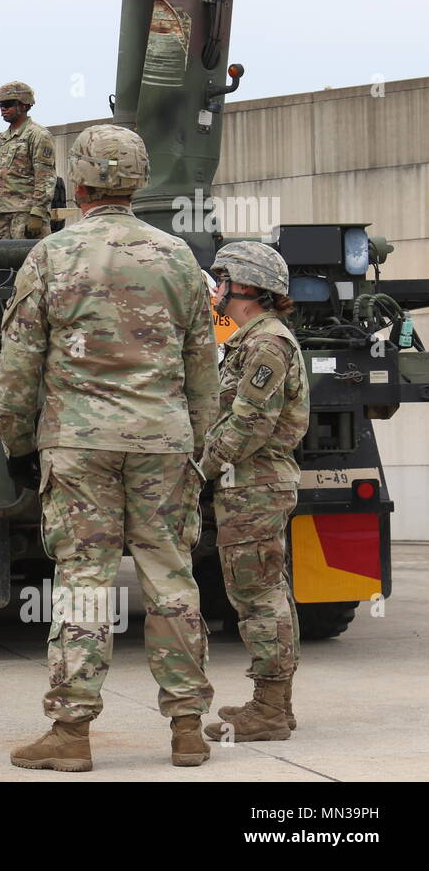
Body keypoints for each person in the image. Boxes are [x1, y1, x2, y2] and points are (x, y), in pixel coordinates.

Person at [0, 124, 219, 771]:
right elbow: (205, 366)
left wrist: (16, 442)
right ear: (138, 179)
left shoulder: (52, 255)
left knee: (84, 583)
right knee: (173, 577)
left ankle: (70, 733)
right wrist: (198, 445)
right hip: (164, 443)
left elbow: (20, 364)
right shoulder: (179, 258)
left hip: (79, 443)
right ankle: (186, 727)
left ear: (80, 182)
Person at [198, 241, 308, 742]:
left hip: (255, 486)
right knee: (264, 592)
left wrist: (198, 468)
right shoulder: (252, 339)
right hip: (250, 486)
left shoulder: (267, 344)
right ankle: (274, 705)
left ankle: (269, 710)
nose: (217, 290)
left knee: (258, 596)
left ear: (245, 286)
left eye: (223, 280)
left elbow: (248, 426)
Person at [0, 81, 56, 240]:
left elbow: (45, 177)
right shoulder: (2, 139)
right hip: (1, 215)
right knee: (0, 263)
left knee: (31, 261)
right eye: (0, 105)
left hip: (26, 213)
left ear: (24, 105)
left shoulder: (38, 135)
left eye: (8, 104)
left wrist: (37, 213)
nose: (3, 109)